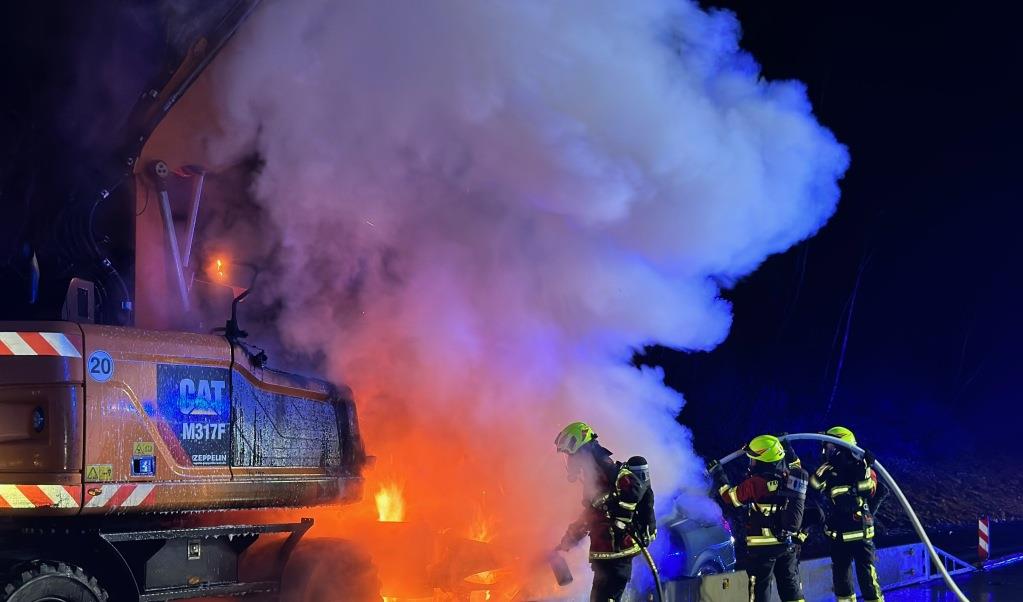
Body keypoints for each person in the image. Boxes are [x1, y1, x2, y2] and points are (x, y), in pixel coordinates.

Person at [553, 421, 653, 602]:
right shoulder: (595, 477)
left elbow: (633, 492)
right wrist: (567, 541)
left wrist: (616, 511)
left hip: (617, 557)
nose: (569, 460)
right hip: (605, 560)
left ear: (581, 451)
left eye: (570, 455)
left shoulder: (609, 470)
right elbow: (590, 516)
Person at [711, 434, 808, 602]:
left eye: (753, 459)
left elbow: (731, 498)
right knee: (791, 588)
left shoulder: (756, 483)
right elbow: (797, 465)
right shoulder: (789, 478)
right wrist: (788, 448)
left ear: (763, 460)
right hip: (787, 545)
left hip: (762, 549)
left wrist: (718, 474)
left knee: (760, 591)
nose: (751, 463)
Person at [812, 426, 887, 602]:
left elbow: (869, 491)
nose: (826, 451)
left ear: (842, 446)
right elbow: (815, 485)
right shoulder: (829, 470)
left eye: (830, 447)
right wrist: (826, 466)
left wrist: (864, 469)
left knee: (867, 577)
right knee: (841, 579)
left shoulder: (862, 467)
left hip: (860, 534)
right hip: (838, 534)